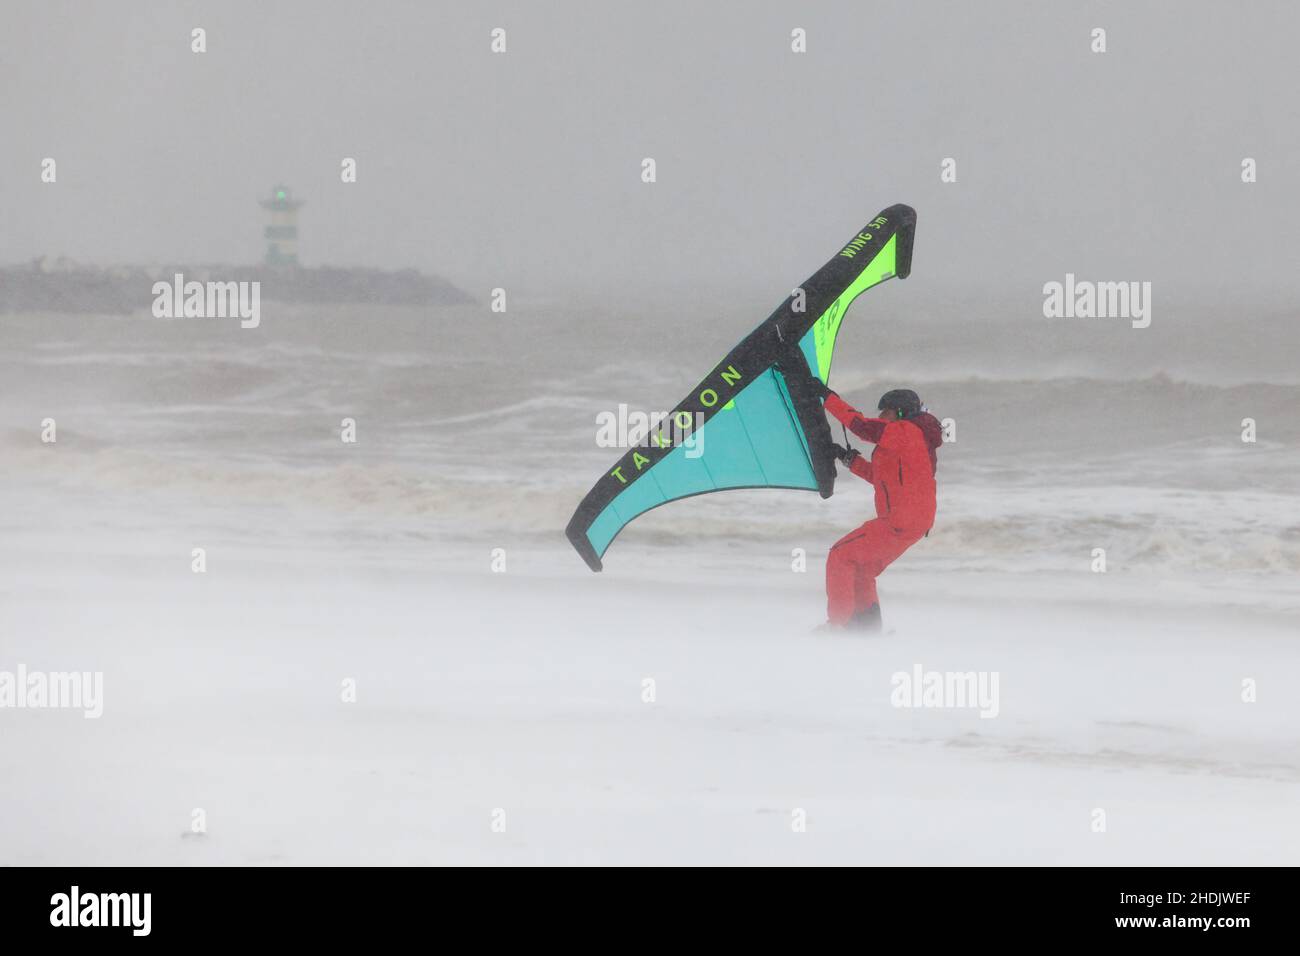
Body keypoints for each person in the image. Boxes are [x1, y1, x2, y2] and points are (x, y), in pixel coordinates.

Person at [809, 381, 943, 632]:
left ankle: (837, 625)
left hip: (899, 522)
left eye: (886, 411)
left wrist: (826, 396)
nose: (881, 416)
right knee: (862, 568)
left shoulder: (906, 430)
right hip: (914, 523)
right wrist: (849, 459)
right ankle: (867, 630)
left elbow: (860, 426)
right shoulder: (913, 440)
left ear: (901, 413)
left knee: (840, 555)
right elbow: (881, 477)